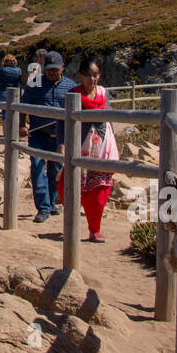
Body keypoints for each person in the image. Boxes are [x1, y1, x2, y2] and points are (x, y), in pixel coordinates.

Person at [55, 57, 114, 242]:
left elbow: (107, 118)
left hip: (100, 147)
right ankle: (70, 226)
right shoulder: (73, 95)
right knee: (69, 186)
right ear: (80, 75)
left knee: (99, 189)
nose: (92, 79)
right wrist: (62, 143)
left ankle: (95, 229)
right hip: (78, 146)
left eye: (95, 75)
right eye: (88, 75)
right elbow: (61, 121)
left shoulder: (104, 94)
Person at [20, 51, 76, 223]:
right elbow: (23, 105)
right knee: (37, 170)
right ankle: (42, 208)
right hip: (38, 134)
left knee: (56, 171)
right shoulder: (34, 84)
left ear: (63, 68)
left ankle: (52, 203)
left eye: (55, 69)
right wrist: (22, 125)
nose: (52, 73)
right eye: (49, 69)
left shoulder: (71, 87)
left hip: (60, 137)